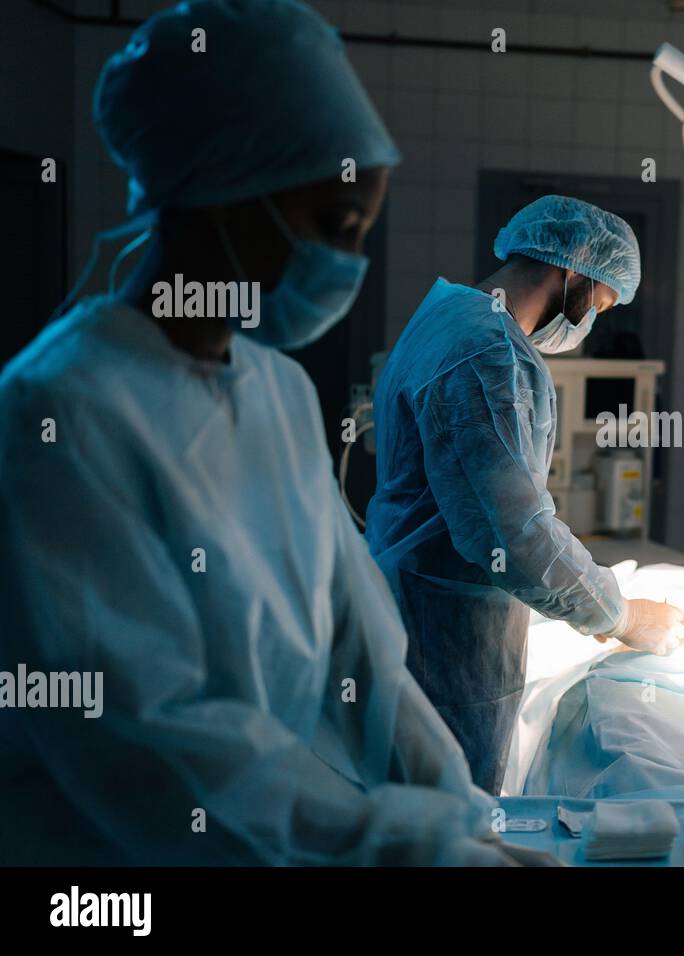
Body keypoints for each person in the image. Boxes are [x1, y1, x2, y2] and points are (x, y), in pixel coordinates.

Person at [0, 0, 534, 865]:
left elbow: (361, 648)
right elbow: (155, 740)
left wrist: (462, 819)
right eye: (334, 226)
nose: (347, 264)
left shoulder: (277, 392)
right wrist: (407, 849)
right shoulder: (62, 413)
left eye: (364, 228)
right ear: (217, 193)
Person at [366, 195, 684, 794]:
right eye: (603, 304)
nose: (593, 322)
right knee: (446, 824)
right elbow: (512, 533)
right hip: (442, 638)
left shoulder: (447, 315)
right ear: (575, 272)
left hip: (411, 606)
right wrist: (620, 616)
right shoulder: (486, 351)